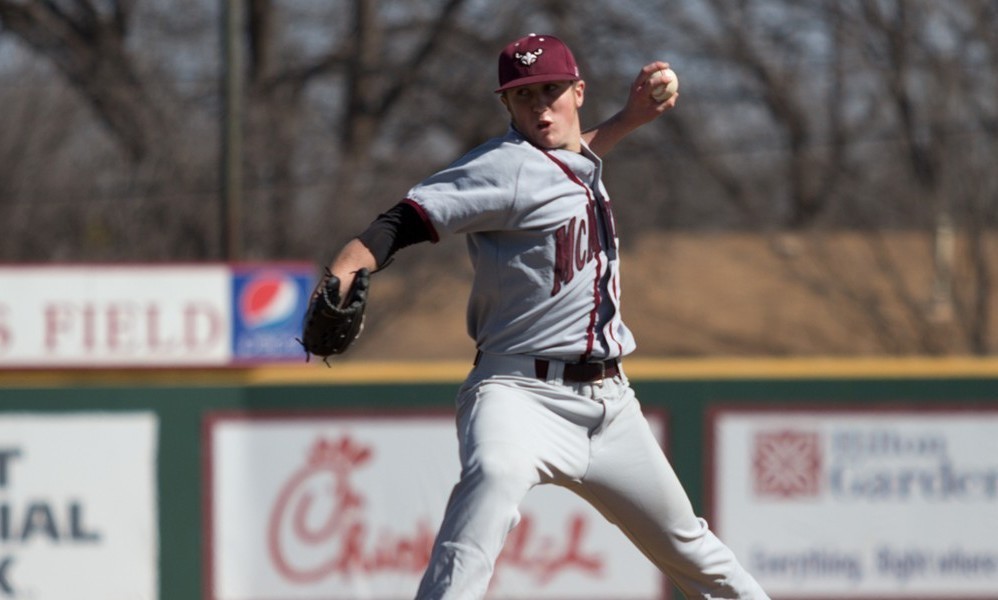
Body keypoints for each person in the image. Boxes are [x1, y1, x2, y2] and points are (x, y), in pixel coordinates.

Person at [326, 33, 769, 600]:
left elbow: (569, 155)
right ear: (506, 106)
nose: (539, 107)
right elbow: (406, 218)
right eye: (523, 96)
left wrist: (629, 119)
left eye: (551, 91)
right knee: (491, 483)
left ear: (577, 90)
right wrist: (346, 264)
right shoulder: (499, 168)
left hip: (611, 407)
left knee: (695, 551)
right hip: (518, 394)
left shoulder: (572, 158)